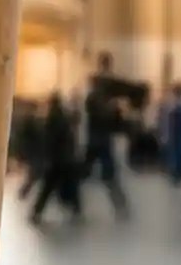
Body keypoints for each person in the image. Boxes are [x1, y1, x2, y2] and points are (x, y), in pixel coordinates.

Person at [83, 53, 131, 219]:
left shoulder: (98, 92)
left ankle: (121, 206)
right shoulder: (98, 94)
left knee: (100, 172)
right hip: (99, 139)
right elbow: (103, 115)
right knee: (106, 173)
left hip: (98, 138)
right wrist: (114, 109)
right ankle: (121, 206)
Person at [30, 94, 82, 224]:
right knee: (68, 185)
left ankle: (37, 212)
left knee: (48, 187)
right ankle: (76, 209)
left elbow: (50, 140)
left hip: (58, 159)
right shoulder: (62, 118)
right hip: (65, 159)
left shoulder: (54, 119)